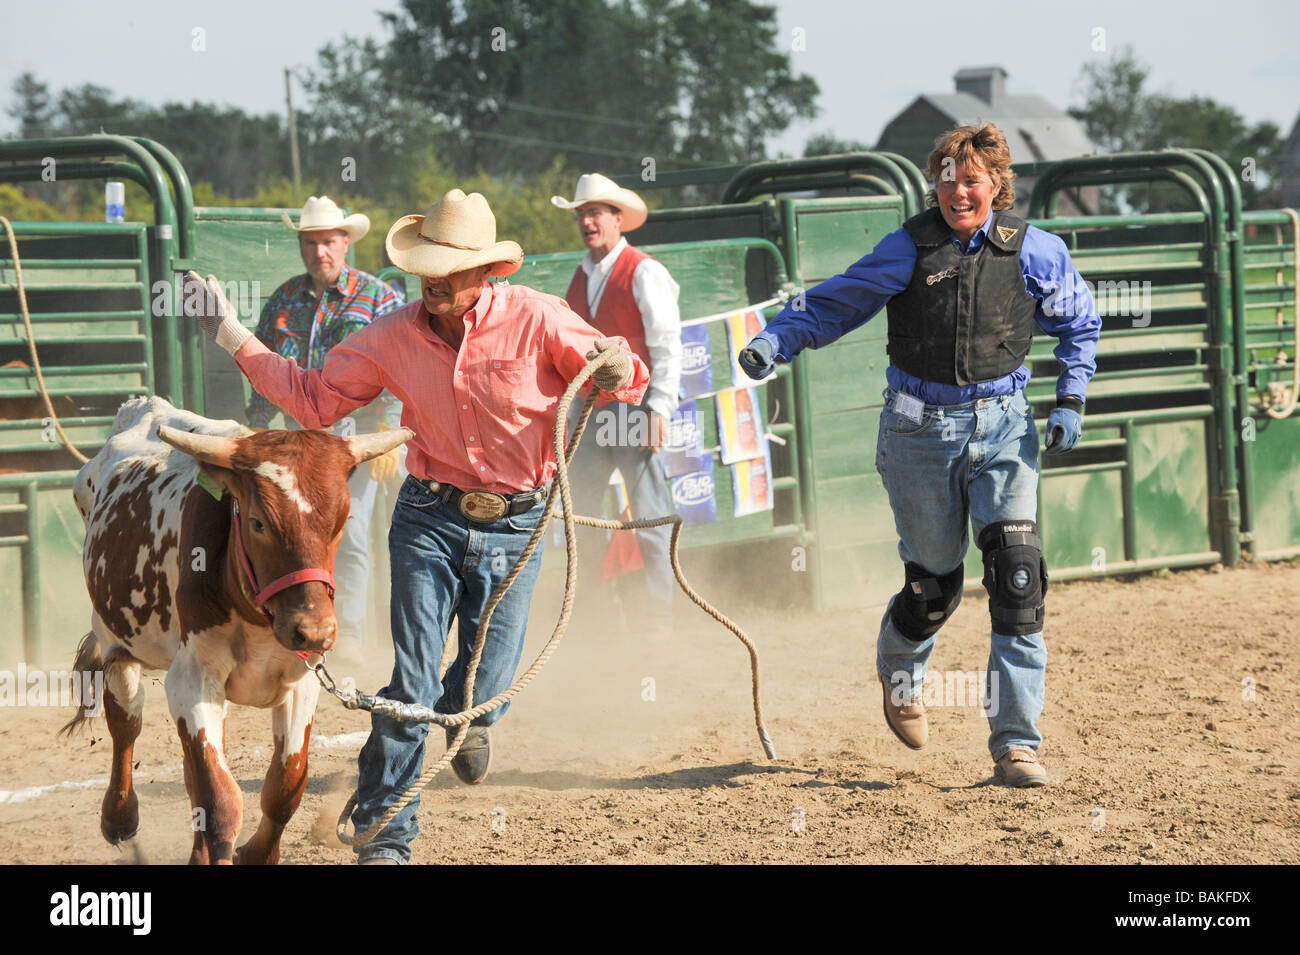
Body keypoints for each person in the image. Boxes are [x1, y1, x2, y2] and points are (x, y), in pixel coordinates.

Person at [187, 188, 649, 862]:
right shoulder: (391, 336)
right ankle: (386, 832)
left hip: (516, 524)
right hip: (429, 519)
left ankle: (473, 713)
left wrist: (615, 365)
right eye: (425, 266)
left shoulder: (541, 318)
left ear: (487, 271)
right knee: (413, 679)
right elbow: (313, 398)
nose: (431, 280)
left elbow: (625, 375)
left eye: (448, 268)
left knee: (484, 691)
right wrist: (229, 328)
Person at [739, 124, 1101, 787]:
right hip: (919, 431)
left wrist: (1071, 397)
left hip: (1004, 425)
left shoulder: (1035, 251)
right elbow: (837, 302)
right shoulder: (907, 247)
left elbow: (1079, 319)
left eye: (971, 179)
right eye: (946, 178)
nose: (957, 190)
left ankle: (1016, 745)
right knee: (935, 583)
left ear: (996, 185)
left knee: (1017, 578)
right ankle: (902, 664)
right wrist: (777, 340)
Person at [246, 196, 405, 661]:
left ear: (346, 243)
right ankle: (304, 623)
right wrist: (254, 429)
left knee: (350, 534)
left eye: (329, 242)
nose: (321, 252)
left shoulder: (378, 296)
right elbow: (263, 365)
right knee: (302, 537)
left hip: (355, 440)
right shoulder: (284, 298)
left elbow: (399, 360)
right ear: (302, 246)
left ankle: (350, 632)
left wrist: (389, 424)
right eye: (312, 242)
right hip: (297, 444)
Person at [551, 173, 682, 634]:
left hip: (633, 410)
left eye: (595, 213)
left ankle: (659, 624)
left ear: (617, 219)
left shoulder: (644, 271)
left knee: (648, 516)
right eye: (582, 214)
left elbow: (666, 343)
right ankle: (590, 621)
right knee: (582, 517)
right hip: (590, 411)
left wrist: (660, 408)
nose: (587, 221)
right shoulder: (581, 274)